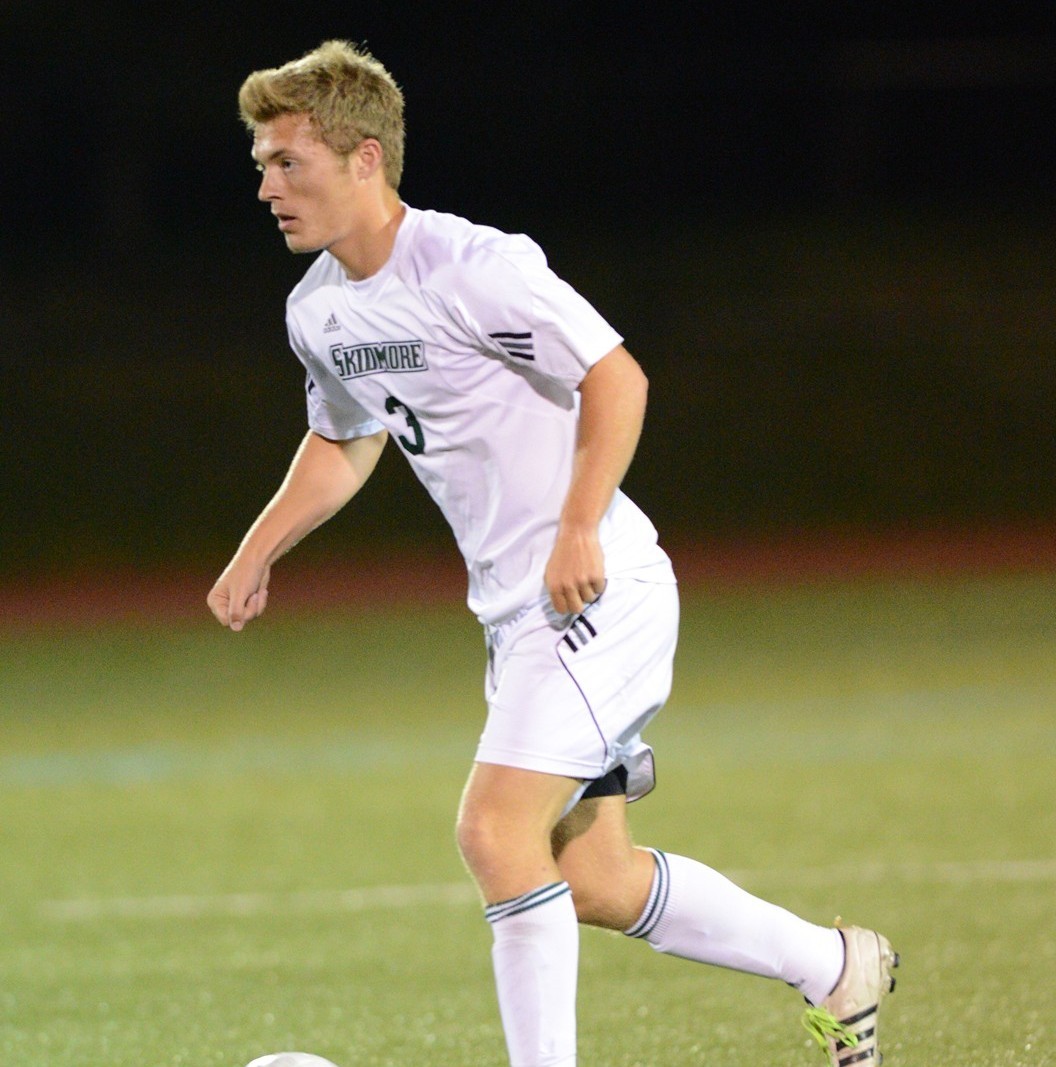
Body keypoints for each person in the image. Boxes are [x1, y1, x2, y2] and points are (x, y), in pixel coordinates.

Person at [208, 39, 899, 1067]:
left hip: (597, 592)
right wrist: (257, 548)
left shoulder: (473, 265)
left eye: (285, 162)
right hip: (514, 613)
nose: (265, 186)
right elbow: (343, 440)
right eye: (260, 163)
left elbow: (615, 378)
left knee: (493, 829)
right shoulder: (319, 308)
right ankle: (834, 962)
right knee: (593, 882)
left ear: (363, 159)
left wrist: (578, 521)